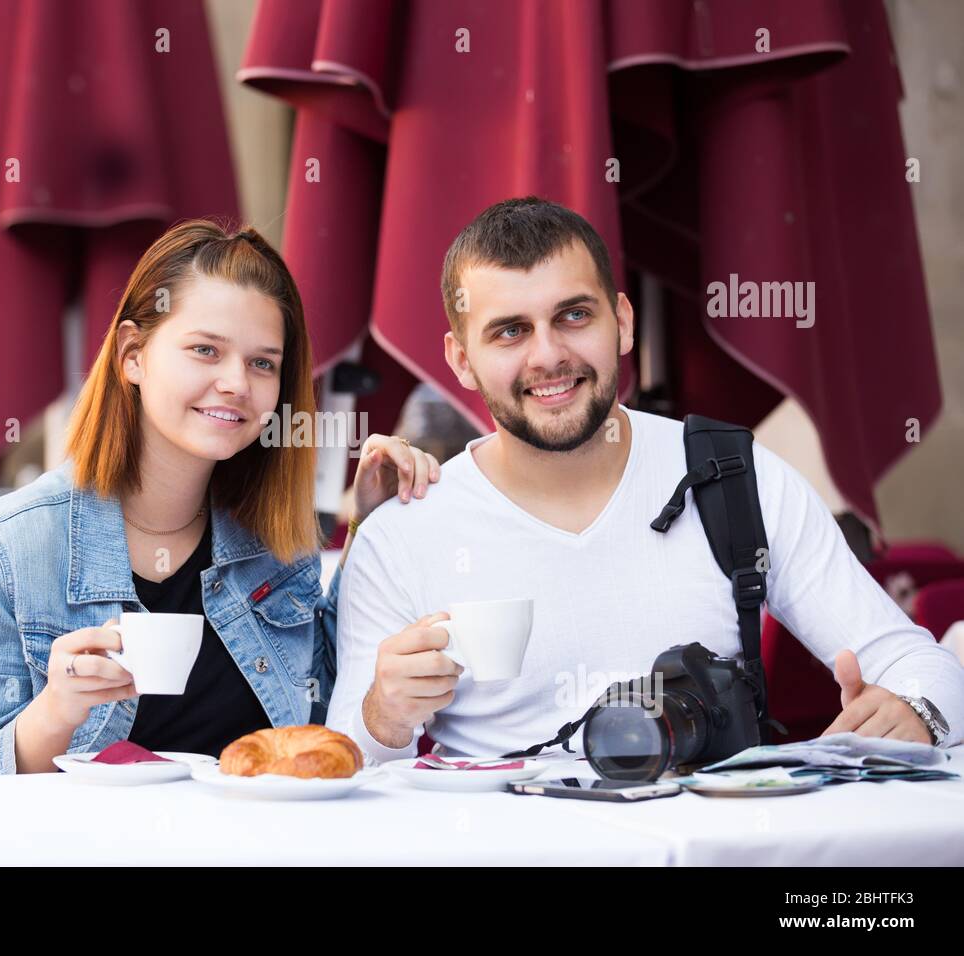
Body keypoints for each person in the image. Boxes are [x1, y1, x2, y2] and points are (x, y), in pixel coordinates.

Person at [327, 196, 963, 763]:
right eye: (511, 331)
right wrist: (384, 719)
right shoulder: (404, 530)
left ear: (623, 322)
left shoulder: (736, 478)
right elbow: (345, 766)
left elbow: (923, 665)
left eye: (574, 316)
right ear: (461, 360)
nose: (547, 355)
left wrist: (918, 713)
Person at [0, 220, 439, 774]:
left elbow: (329, 712)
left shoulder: (276, 544)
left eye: (262, 362)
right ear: (132, 355)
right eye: (205, 350)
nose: (237, 383)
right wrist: (55, 713)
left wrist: (371, 525)